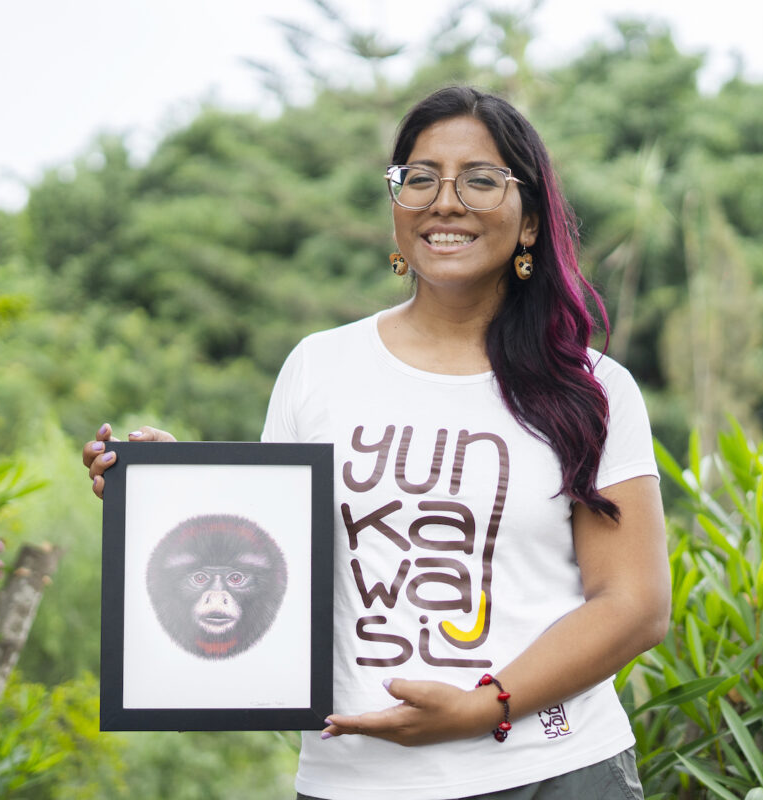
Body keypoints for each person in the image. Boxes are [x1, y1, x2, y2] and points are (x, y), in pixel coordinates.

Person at [84, 85, 671, 800]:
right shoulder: (318, 367)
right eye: (419, 178)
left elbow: (634, 605)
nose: (444, 201)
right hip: (355, 781)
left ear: (529, 223)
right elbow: (278, 556)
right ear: (395, 204)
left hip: (552, 771)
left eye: (481, 180)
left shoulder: (591, 388)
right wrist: (175, 488)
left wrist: (484, 707)